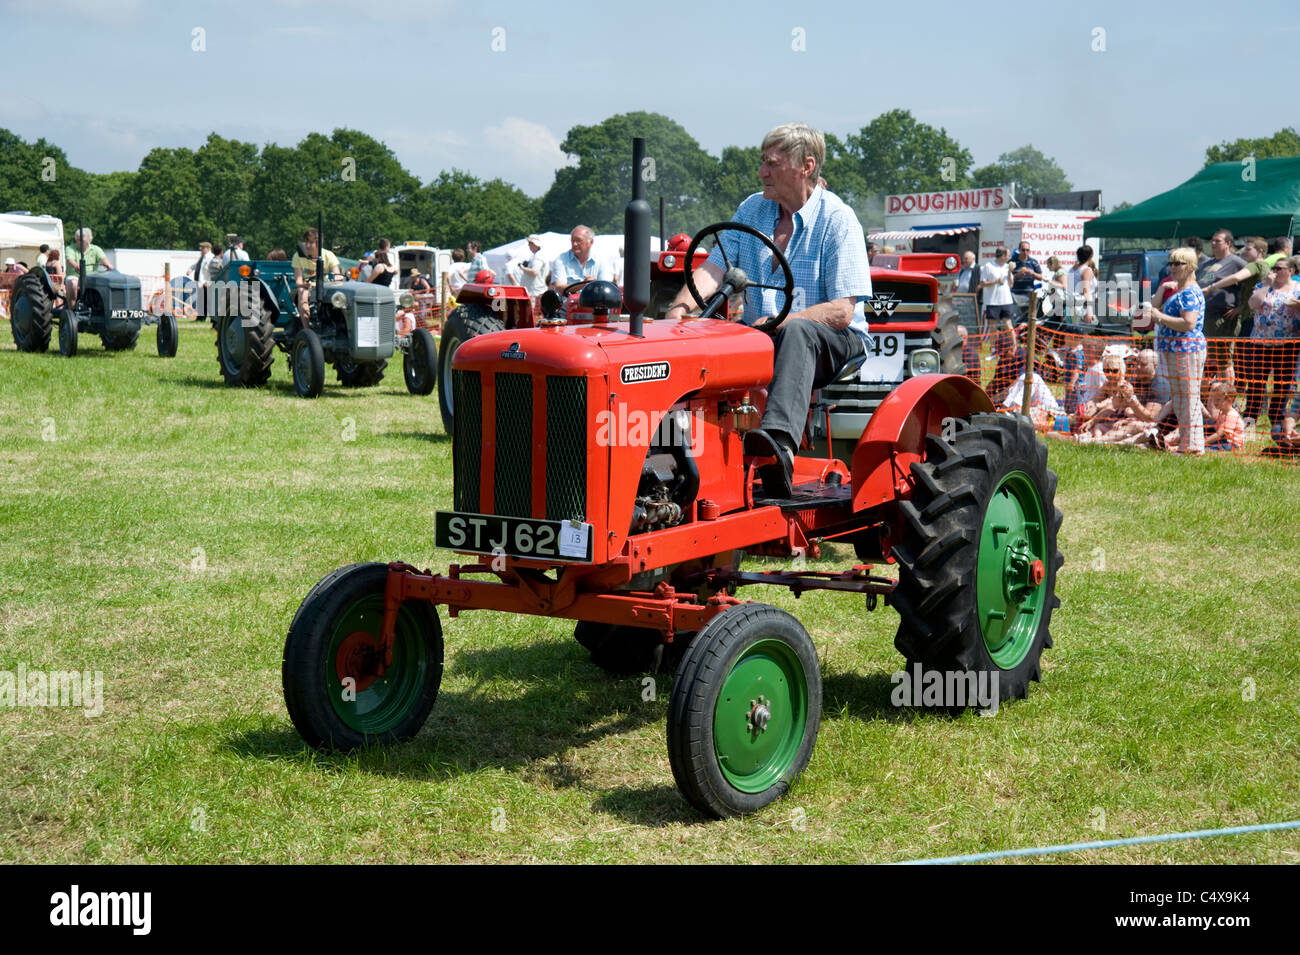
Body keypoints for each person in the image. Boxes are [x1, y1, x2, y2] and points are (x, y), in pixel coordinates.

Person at [665, 122, 871, 497]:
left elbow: (842, 311)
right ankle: (681, 457)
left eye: (772, 164)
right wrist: (680, 310)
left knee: (797, 332)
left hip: (835, 340)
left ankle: (778, 448)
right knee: (699, 338)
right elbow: (715, 267)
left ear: (806, 166)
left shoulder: (838, 221)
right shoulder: (752, 209)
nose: (762, 172)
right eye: (763, 162)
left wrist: (781, 321)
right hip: (762, 335)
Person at [1142, 246, 1207, 454]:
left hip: (1186, 351)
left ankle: (1193, 446)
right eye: (1171, 263)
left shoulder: (1189, 293)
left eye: (1178, 263)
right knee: (1180, 398)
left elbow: (1189, 323)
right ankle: (1188, 444)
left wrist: (1158, 317)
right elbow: (1153, 307)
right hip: (1176, 351)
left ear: (1191, 266)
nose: (1173, 267)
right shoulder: (1179, 290)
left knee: (1188, 398)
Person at [1242, 256, 1300, 425]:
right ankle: (1250, 418)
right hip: (1260, 343)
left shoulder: (1297, 288)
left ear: (1290, 271)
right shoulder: (1262, 286)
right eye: (1274, 268)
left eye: (1279, 268)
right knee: (1256, 383)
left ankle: (1277, 420)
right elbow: (1253, 304)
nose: (1275, 271)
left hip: (1288, 345)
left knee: (1283, 385)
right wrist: (1266, 285)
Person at [1196, 229, 1246, 381]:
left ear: (1228, 244)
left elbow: (1253, 286)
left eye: (1217, 241)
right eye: (1212, 240)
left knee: (1223, 360)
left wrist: (1241, 308)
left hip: (1222, 318)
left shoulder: (1237, 262)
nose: (1213, 243)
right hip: (1203, 316)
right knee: (1206, 358)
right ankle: (1211, 394)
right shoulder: (1206, 263)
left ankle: (1227, 395)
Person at [292, 227, 343, 329]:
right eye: (306, 242)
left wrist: (337, 278)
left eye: (311, 242)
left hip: (325, 287)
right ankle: (307, 329)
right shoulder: (298, 256)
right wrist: (304, 284)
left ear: (318, 243)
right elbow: (298, 281)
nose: (307, 245)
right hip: (306, 287)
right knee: (303, 292)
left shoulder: (328, 255)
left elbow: (338, 275)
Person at [64, 227, 114, 309]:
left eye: (82, 240)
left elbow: (104, 260)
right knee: (73, 283)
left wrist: (109, 266)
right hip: (75, 276)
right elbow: (70, 260)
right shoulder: (70, 248)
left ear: (89, 240)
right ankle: (72, 309)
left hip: (92, 278)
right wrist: (76, 266)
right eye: (77, 240)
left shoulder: (96, 249)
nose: (79, 242)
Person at [550, 225, 611, 292]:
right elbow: (559, 287)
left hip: (594, 302)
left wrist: (594, 284)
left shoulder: (601, 261)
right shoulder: (561, 260)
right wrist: (583, 284)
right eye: (572, 240)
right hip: (568, 302)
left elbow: (606, 287)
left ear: (591, 242)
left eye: (578, 240)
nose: (574, 244)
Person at [1203, 381, 1245, 451]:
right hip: (1223, 440)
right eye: (1214, 399)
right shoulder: (1222, 413)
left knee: (1209, 447)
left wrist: (1203, 442)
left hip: (1233, 444)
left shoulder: (1231, 415)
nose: (1215, 402)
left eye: (1218, 400)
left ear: (1229, 400)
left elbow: (1219, 434)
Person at [978, 246, 1015, 326]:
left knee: (1008, 325)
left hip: (1006, 301)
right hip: (992, 302)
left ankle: (1013, 339)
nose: (1010, 257)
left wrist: (1009, 272)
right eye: (1008, 255)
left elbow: (1011, 285)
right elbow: (982, 283)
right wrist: (995, 281)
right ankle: (993, 339)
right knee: (993, 327)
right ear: (1003, 256)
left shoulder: (1007, 267)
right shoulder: (988, 266)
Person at [1009, 240, 1043, 317]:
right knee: (1016, 317)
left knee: (1030, 317)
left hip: (1030, 295)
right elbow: (1006, 279)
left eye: (1027, 250)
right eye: (1023, 250)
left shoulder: (1033, 262)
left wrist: (1032, 273)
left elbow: (1041, 277)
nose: (1025, 252)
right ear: (1019, 250)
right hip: (1015, 295)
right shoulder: (1012, 262)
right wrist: (1017, 275)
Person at [1066, 245, 1098, 323]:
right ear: (1091, 255)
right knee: (1083, 333)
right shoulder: (1086, 270)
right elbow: (1086, 292)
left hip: (1069, 306)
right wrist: (1089, 311)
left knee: (1070, 332)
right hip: (1081, 308)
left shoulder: (1072, 269)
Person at [517, 234, 549, 306]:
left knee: (533, 315)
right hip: (535, 292)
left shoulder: (538, 256)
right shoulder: (537, 255)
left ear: (535, 244)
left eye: (530, 243)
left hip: (535, 293)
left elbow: (534, 272)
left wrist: (522, 268)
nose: (528, 245)